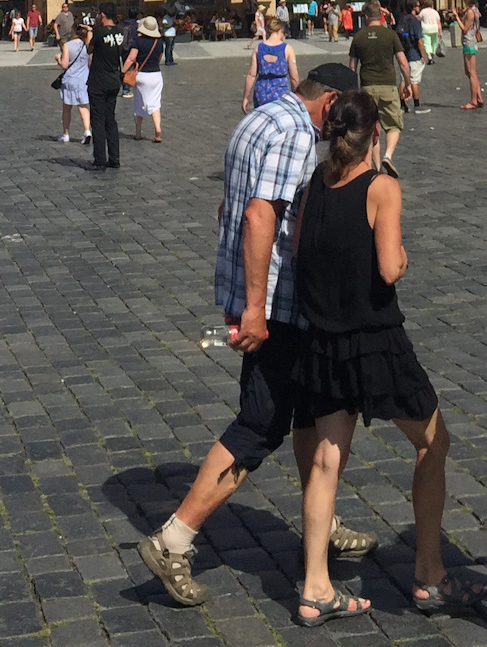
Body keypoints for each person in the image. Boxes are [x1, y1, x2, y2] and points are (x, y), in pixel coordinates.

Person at [138, 63, 373, 607]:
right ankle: (174, 540)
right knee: (260, 424)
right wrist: (255, 308)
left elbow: (229, 206)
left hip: (265, 296)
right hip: (280, 304)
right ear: (332, 99)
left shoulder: (261, 118)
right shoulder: (294, 132)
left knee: (310, 410)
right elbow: (258, 216)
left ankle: (324, 520)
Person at [291, 90, 479, 623]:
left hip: (324, 341)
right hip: (376, 341)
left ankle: (314, 588)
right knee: (432, 440)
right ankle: (429, 575)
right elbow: (390, 268)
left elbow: (301, 248)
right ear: (375, 134)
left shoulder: (316, 183)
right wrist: (401, 254)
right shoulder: (382, 187)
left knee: (327, 462)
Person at [350, 2, 411, 166]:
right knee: (393, 126)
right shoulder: (390, 35)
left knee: (370, 128)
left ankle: (374, 167)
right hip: (388, 86)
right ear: (380, 16)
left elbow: (352, 67)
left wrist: (352, 90)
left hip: (367, 87)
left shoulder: (359, 37)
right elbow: (403, 62)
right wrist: (408, 83)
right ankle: (388, 156)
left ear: (366, 17)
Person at [86, 7, 127, 172]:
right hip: (113, 80)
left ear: (102, 15)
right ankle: (115, 158)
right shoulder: (119, 32)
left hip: (98, 81)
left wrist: (89, 33)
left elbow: (89, 49)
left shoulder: (99, 32)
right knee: (110, 119)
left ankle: (100, 159)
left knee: (97, 120)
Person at [244, 15, 299, 114]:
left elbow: (251, 75)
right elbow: (294, 78)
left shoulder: (258, 48)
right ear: (281, 30)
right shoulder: (287, 49)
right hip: (280, 93)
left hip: (261, 92)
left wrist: (245, 97)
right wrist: (296, 97)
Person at [129, 15, 166, 142]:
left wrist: (124, 70)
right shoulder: (159, 42)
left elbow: (132, 58)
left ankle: (138, 133)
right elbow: (159, 57)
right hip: (156, 75)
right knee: (155, 104)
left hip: (141, 75)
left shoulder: (138, 42)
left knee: (139, 104)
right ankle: (157, 131)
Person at [57, 25, 92, 144]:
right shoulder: (86, 46)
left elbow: (65, 65)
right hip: (83, 79)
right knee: (83, 107)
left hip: (70, 79)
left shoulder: (68, 45)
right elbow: (89, 63)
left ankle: (66, 134)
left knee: (67, 108)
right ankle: (87, 130)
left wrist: (58, 59)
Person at [399, 2, 426, 111]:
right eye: (418, 6)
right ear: (414, 8)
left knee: (403, 80)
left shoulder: (402, 19)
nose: (419, 7)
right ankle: (417, 105)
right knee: (414, 80)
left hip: (404, 53)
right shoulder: (415, 21)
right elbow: (419, 40)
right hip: (414, 54)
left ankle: (402, 104)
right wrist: (423, 55)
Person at [459, 0, 483, 110]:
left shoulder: (470, 12)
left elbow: (465, 29)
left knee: (471, 72)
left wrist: (457, 18)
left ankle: (473, 101)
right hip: (472, 42)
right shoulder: (475, 10)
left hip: (468, 42)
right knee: (469, 72)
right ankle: (479, 97)